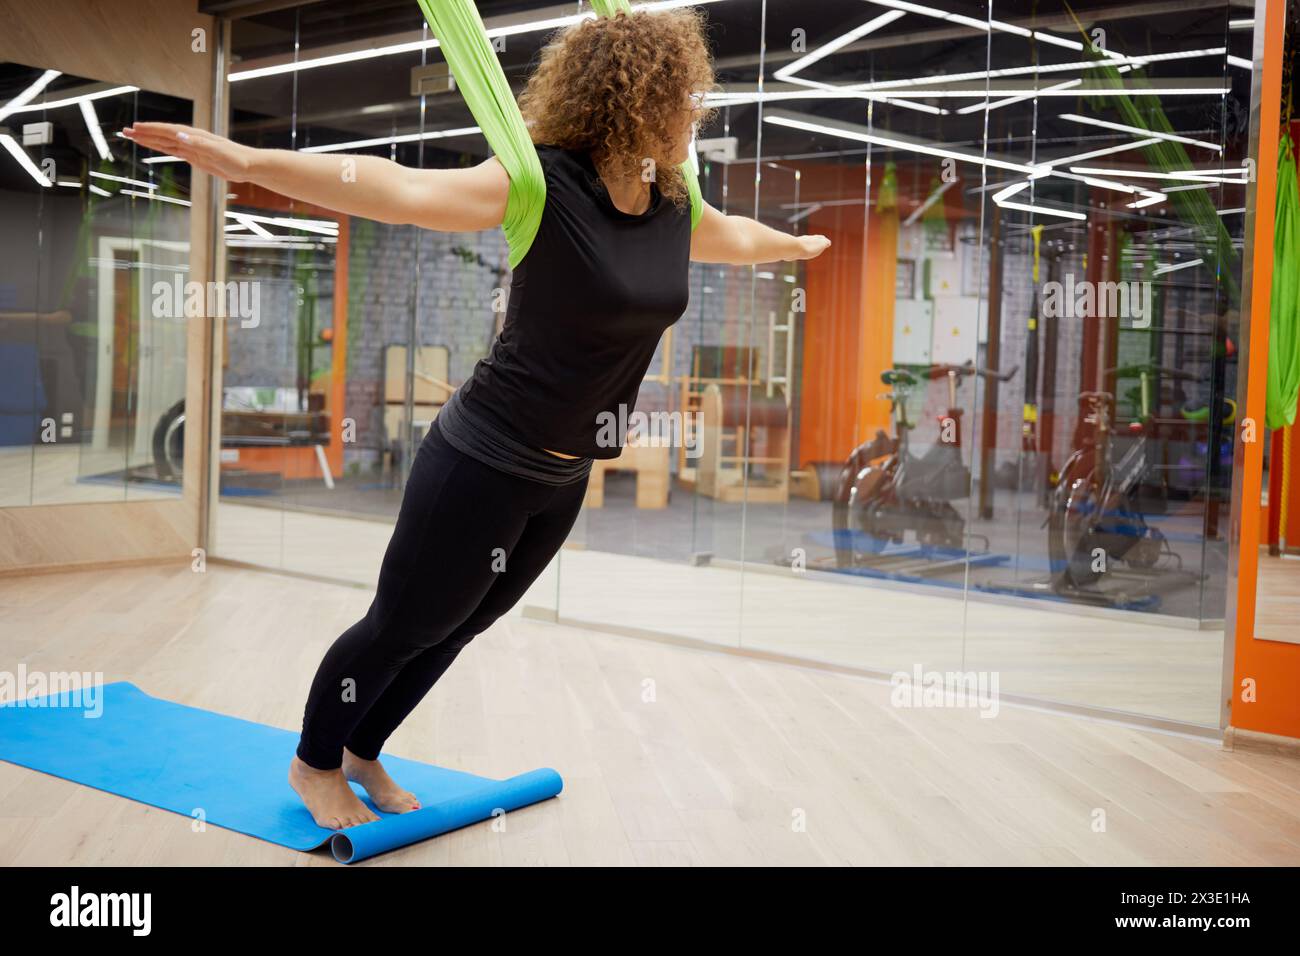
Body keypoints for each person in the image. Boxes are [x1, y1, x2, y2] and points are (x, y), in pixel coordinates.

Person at [123, 6, 829, 830]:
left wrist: (794, 248)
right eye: (685, 102)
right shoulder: (540, 186)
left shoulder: (674, 206)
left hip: (564, 476)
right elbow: (394, 188)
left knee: (461, 627)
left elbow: (734, 238)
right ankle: (314, 762)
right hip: (483, 457)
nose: (696, 118)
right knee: (401, 625)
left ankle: (364, 749)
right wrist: (242, 158)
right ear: (636, 101)